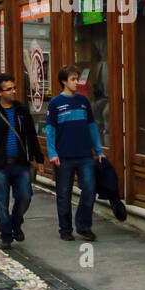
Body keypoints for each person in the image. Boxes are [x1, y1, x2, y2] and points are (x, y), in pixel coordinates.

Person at [0, 71, 44, 250]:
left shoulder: (21, 110)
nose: (13, 92)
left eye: (14, 88)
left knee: (25, 196)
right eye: (9, 89)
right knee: (1, 202)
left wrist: (39, 158)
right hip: (0, 164)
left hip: (20, 163)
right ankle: (6, 235)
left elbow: (31, 135)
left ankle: (16, 222)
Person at [46, 64, 104, 242]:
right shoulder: (55, 103)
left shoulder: (83, 102)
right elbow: (50, 130)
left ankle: (84, 226)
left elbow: (92, 127)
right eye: (73, 79)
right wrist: (52, 153)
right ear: (64, 81)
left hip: (85, 154)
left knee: (89, 189)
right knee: (64, 194)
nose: (76, 82)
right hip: (64, 156)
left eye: (77, 79)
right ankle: (65, 229)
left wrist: (99, 150)